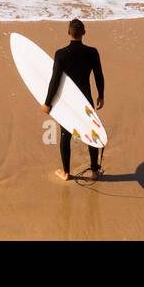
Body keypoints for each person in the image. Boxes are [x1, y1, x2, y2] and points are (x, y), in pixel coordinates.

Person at [41, 18, 105, 181]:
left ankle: (66, 172)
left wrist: (47, 103)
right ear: (84, 33)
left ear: (68, 33)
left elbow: (54, 80)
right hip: (86, 100)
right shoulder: (92, 52)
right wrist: (101, 95)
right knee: (92, 134)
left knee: (65, 134)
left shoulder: (61, 54)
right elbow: (99, 76)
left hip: (68, 102)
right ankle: (95, 171)